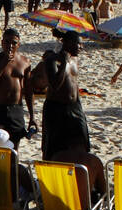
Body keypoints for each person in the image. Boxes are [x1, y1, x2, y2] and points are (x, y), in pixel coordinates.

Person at [40, 32, 106, 197]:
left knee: (82, 145)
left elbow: (74, 84)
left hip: (75, 107)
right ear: (68, 43)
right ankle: (49, 189)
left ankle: (85, 185)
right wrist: (63, 63)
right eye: (78, 43)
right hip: (56, 108)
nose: (81, 46)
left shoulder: (75, 59)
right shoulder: (52, 60)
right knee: (53, 148)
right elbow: (55, 84)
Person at [0, 28, 36, 150]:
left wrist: (32, 117)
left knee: (13, 151)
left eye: (14, 43)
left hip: (16, 111)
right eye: (7, 42)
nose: (10, 45)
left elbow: (28, 91)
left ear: (19, 44)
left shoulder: (25, 62)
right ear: (2, 43)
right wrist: (2, 65)